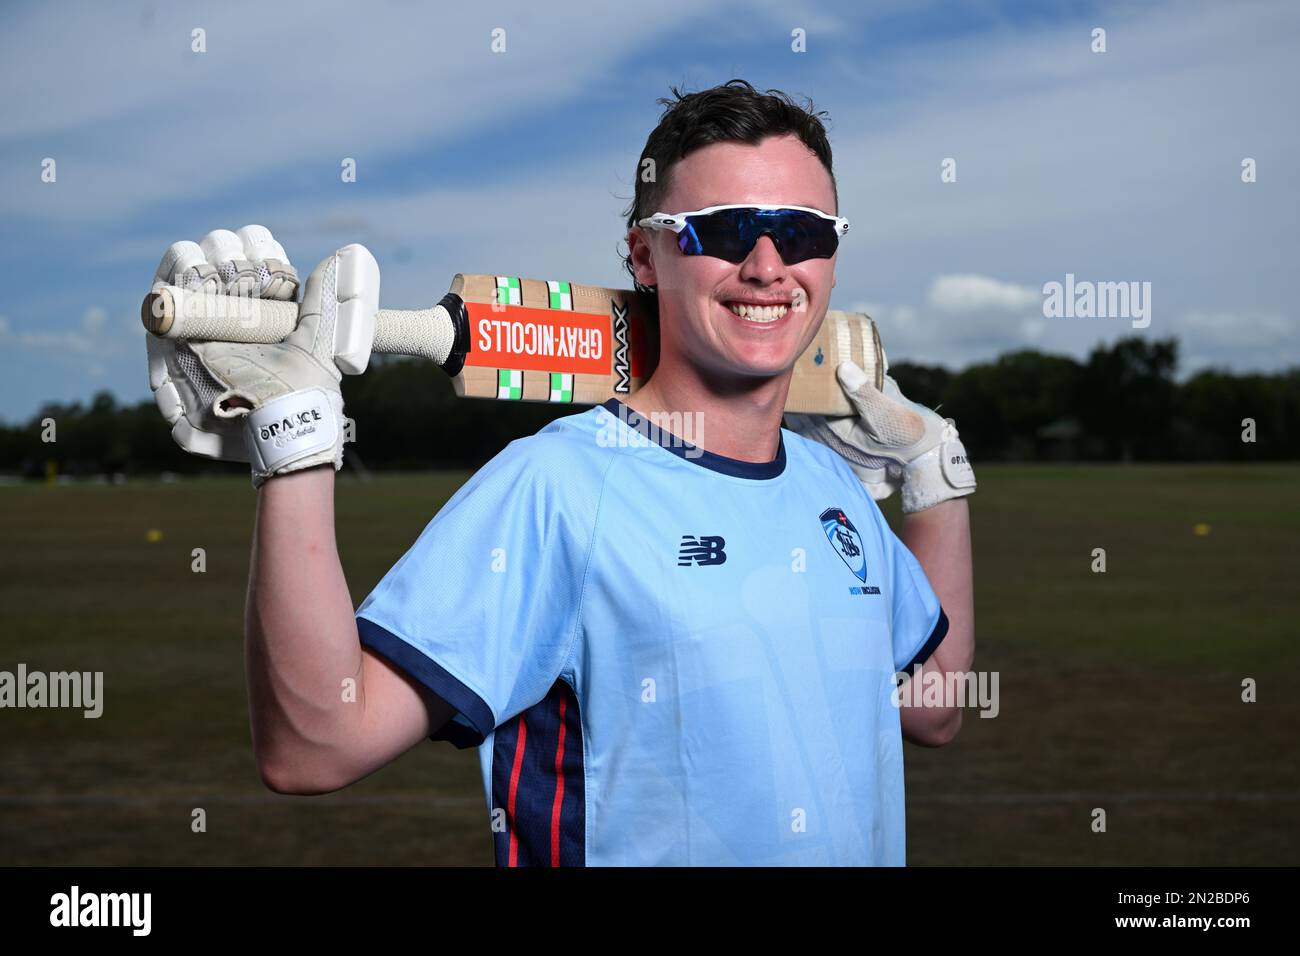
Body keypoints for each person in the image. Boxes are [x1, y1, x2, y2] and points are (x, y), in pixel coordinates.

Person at [146, 79, 976, 866]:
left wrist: (933, 477)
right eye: (723, 230)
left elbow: (933, 708)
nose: (767, 265)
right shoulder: (556, 490)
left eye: (801, 232)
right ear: (644, 256)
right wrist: (295, 439)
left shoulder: (835, 492)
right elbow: (313, 746)